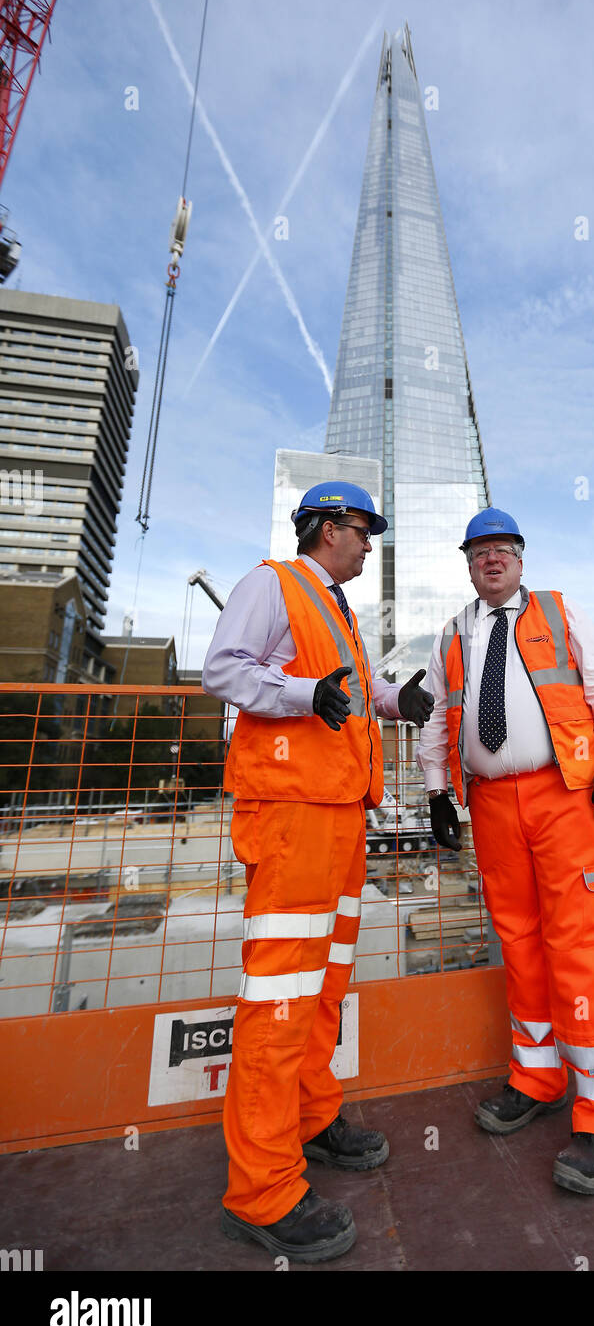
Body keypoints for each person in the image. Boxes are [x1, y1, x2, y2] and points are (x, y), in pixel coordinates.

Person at [202, 480, 433, 1262]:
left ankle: (309, 1115)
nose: (371, 543)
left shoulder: (337, 609)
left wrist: (398, 699)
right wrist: (306, 695)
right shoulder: (274, 583)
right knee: (279, 994)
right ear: (328, 527)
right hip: (293, 813)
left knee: (323, 983)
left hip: (337, 815)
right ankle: (260, 1189)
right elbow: (224, 670)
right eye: (364, 530)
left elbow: (348, 693)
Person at [416, 508, 594, 1195]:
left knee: (575, 940)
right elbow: (434, 715)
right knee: (517, 940)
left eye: (503, 548)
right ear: (468, 562)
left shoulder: (559, 613)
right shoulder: (452, 634)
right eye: (479, 550)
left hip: (562, 795)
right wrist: (434, 791)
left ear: (520, 557)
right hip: (489, 803)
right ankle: (538, 1078)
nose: (492, 559)